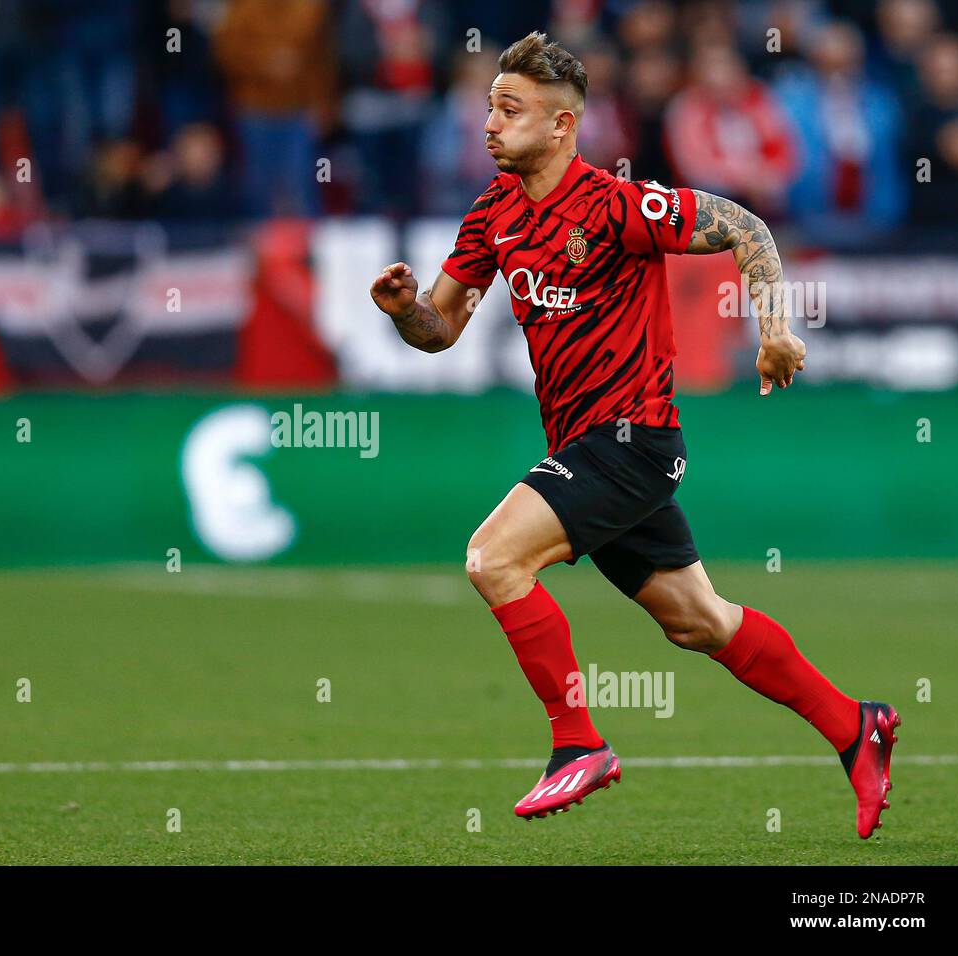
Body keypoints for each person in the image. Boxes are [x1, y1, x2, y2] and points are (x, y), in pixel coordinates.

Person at [368, 32, 898, 838]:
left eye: (510, 110)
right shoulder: (494, 214)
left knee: (493, 557)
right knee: (701, 622)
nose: (490, 123)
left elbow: (745, 226)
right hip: (584, 447)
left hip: (630, 441)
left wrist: (776, 331)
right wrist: (406, 307)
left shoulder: (616, 204)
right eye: (489, 107)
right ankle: (855, 726)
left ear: (561, 126)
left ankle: (578, 742)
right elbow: (441, 330)